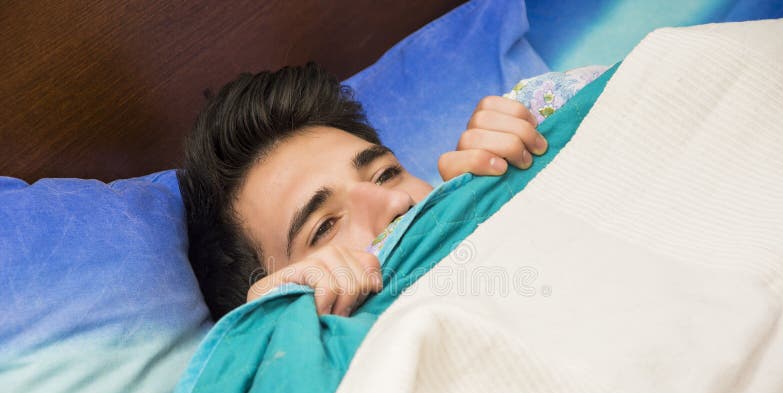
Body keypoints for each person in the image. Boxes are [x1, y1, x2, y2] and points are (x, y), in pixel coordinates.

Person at [180, 63, 547, 320]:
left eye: (386, 174)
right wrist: (268, 333)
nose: (396, 201)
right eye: (325, 226)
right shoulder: (296, 363)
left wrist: (530, 170)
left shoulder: (513, 182)